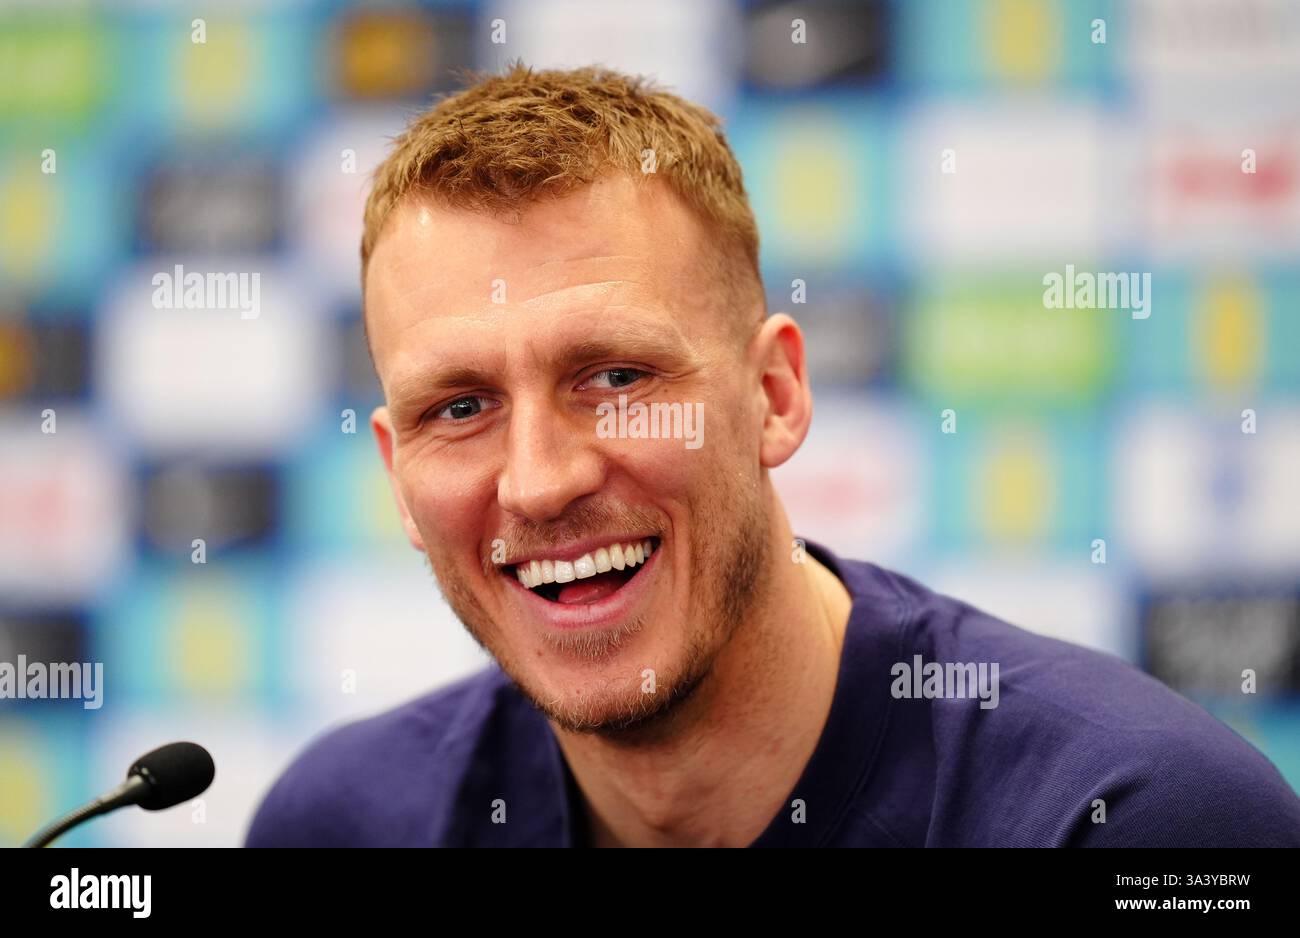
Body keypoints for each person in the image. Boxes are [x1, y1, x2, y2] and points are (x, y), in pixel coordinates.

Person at [246, 64, 1300, 847]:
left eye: (615, 378)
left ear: (775, 396)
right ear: (394, 471)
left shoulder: (1136, 823)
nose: (539, 478)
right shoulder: (340, 824)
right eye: (460, 405)